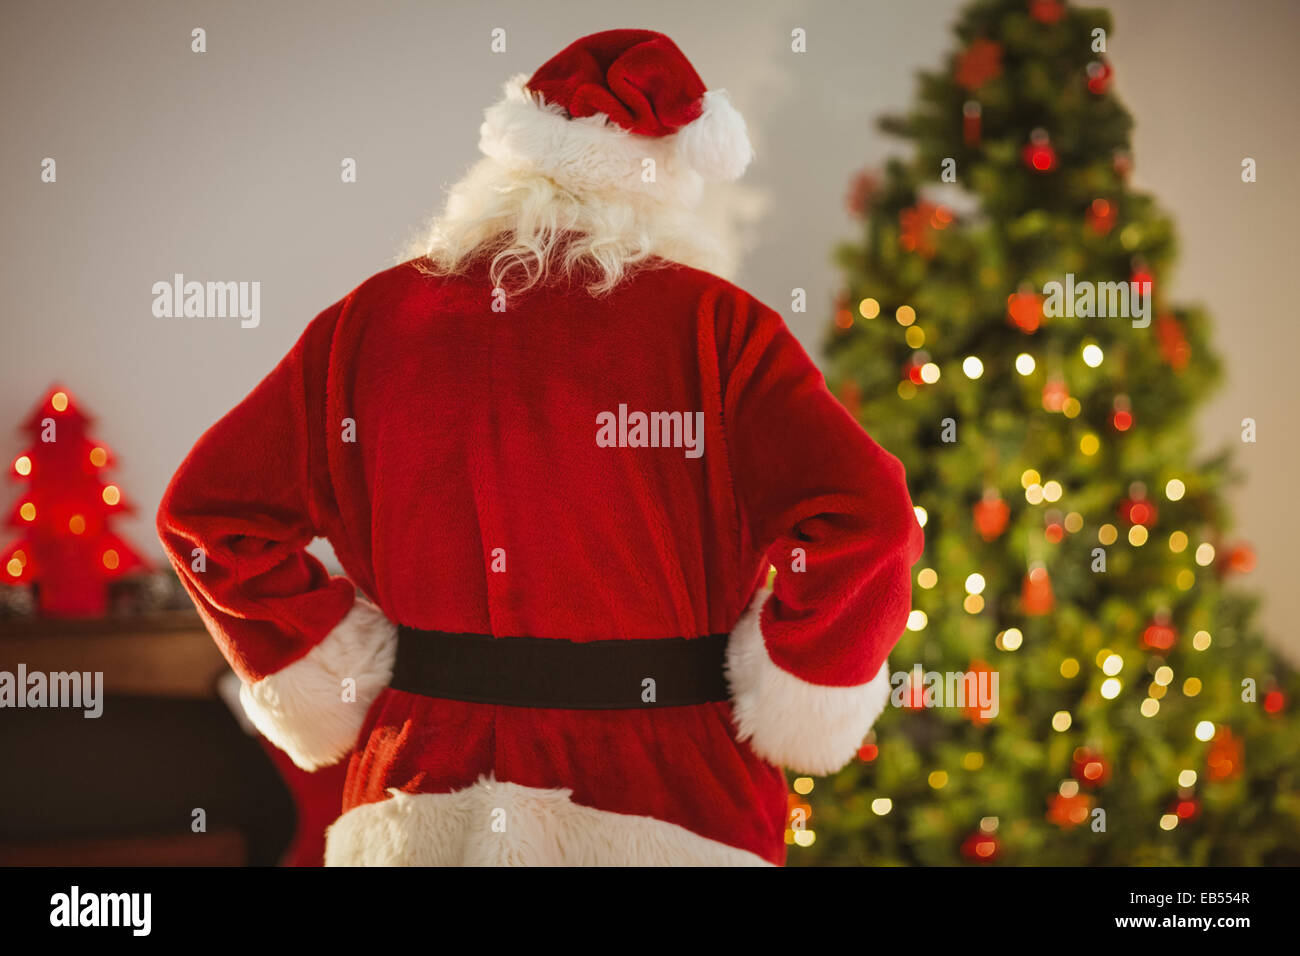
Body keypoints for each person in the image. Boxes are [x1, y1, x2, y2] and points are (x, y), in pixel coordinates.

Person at [157, 28, 924, 866]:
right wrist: (792, 681)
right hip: (673, 799)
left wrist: (332, 668)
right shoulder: (716, 328)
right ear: (665, 179)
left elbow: (209, 517)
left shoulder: (369, 325)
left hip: (418, 798)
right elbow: (870, 520)